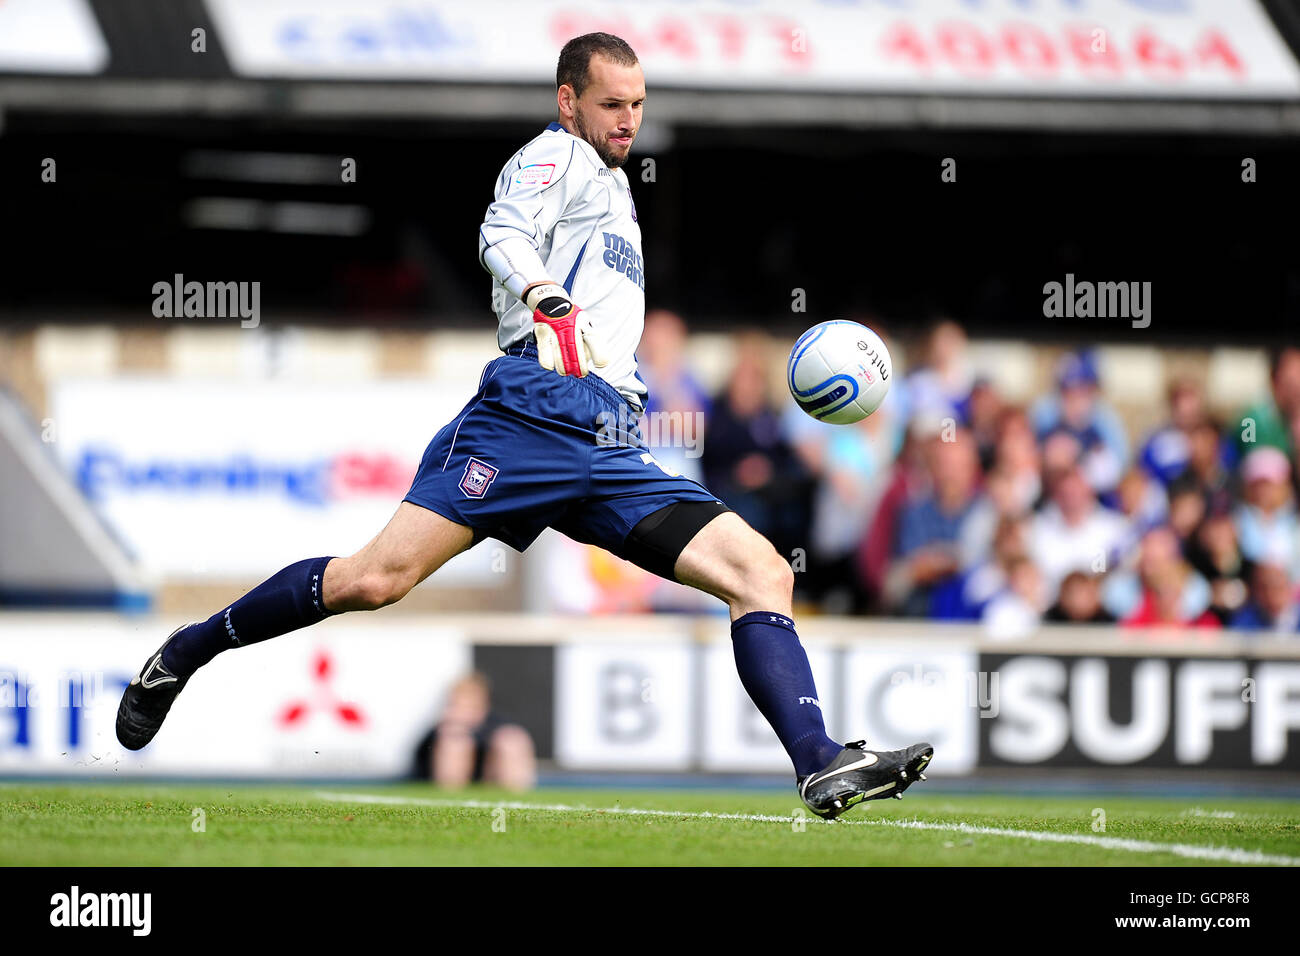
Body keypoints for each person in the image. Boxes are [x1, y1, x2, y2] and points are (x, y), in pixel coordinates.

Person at [114, 32, 931, 820]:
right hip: (528, 419)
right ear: (567, 99)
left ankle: (819, 758)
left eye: (639, 104)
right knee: (374, 581)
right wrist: (545, 295)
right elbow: (499, 231)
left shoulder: (613, 182)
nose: (628, 120)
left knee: (761, 573)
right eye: (612, 103)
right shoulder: (555, 155)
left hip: (610, 441)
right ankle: (188, 649)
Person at [411, 673, 536, 791]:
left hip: (489, 781)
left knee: (512, 741)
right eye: (459, 705)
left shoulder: (499, 728)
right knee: (455, 741)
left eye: (471, 705)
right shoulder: (441, 731)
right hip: (437, 781)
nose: (465, 712)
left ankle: (511, 798)